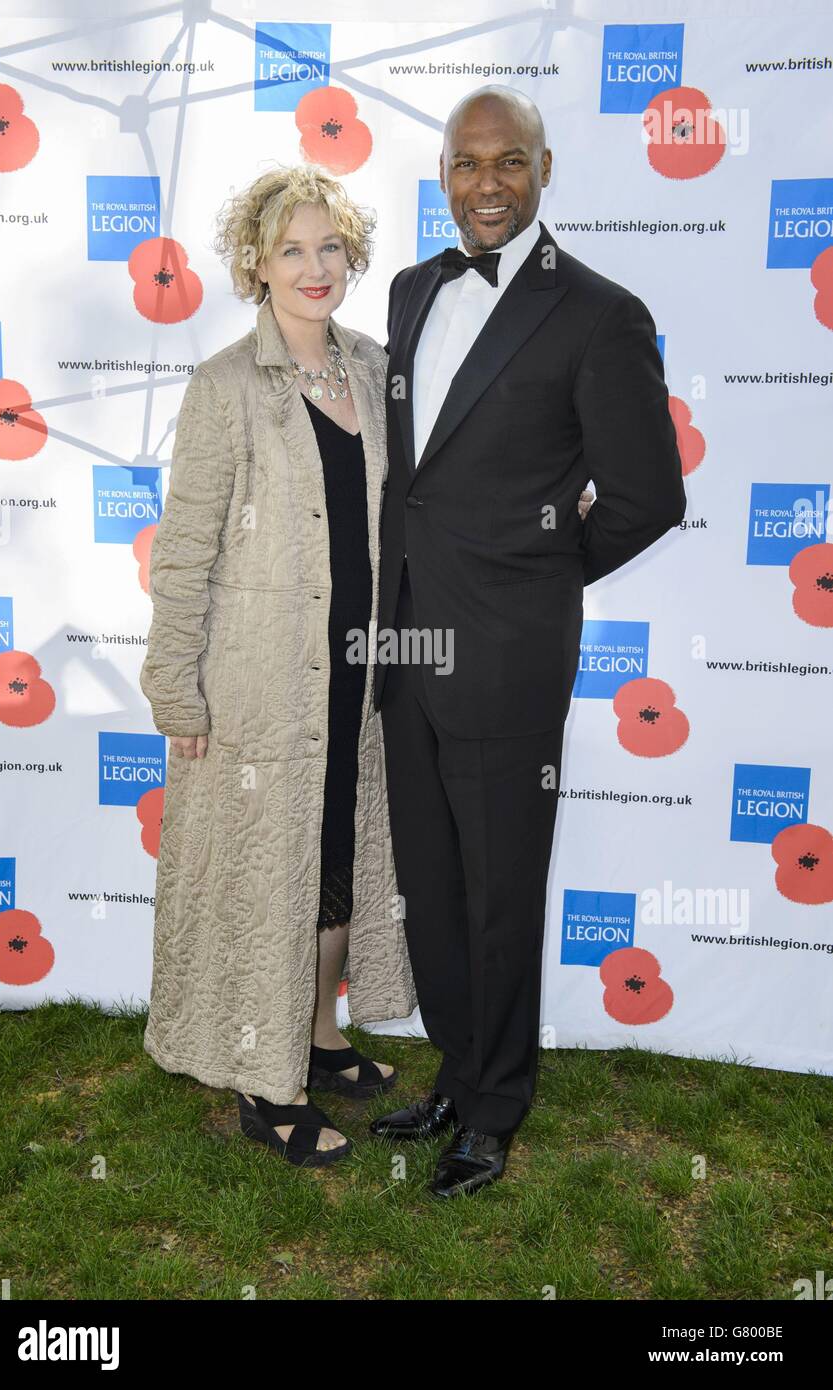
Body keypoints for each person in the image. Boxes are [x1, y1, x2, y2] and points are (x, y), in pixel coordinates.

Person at [370, 86, 687, 1198]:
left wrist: (534, 577)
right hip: (403, 647)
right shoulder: (412, 289)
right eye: (466, 164)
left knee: (503, 884)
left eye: (509, 162)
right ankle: (458, 1068)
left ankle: (497, 1105)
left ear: (543, 172)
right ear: (444, 175)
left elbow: (647, 496)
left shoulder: (601, 313)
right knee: (433, 878)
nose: (487, 183)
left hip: (507, 653)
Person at [139, 165, 414, 1167]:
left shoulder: (377, 370)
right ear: (255, 264)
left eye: (328, 246)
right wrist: (177, 686)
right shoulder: (223, 386)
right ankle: (266, 1084)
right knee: (268, 880)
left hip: (357, 678)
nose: (313, 266)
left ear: (351, 257)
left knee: (338, 855)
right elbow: (186, 549)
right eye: (290, 248)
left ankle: (318, 1032)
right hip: (258, 682)